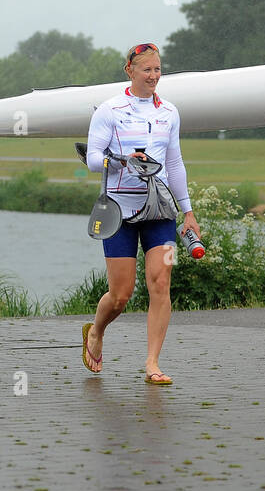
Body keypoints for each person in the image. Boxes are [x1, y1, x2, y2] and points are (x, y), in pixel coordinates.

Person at [81, 43, 199, 383]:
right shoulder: (109, 110)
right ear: (129, 71)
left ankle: (152, 363)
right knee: (121, 295)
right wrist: (122, 161)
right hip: (118, 209)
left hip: (160, 209)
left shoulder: (169, 112)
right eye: (147, 70)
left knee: (161, 283)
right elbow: (92, 159)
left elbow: (175, 164)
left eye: (158, 70)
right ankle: (97, 331)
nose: (154, 76)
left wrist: (187, 211)